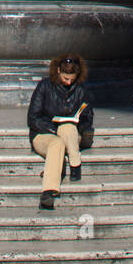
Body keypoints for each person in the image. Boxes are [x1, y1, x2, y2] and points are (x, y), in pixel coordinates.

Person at [28, 55, 94, 211]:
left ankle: (74, 162)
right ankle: (49, 191)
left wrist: (78, 123)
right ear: (58, 71)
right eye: (65, 78)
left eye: (72, 79)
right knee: (57, 142)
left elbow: (88, 117)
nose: (68, 82)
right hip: (44, 133)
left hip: (70, 135)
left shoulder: (81, 89)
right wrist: (54, 128)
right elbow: (33, 117)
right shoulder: (44, 86)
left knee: (68, 128)